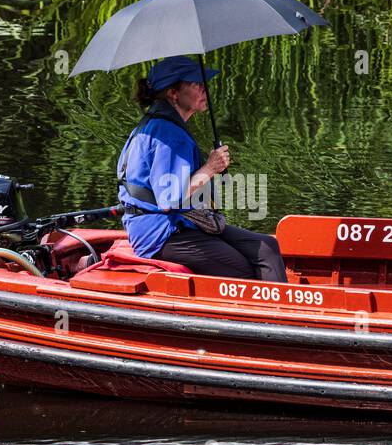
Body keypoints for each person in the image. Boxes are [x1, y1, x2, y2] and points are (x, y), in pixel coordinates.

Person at [116, 55, 288, 281]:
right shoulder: (168, 133)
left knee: (266, 247)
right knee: (244, 271)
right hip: (162, 234)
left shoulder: (157, 123)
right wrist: (210, 167)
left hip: (176, 225)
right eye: (196, 84)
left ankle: (277, 311)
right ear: (173, 93)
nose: (205, 89)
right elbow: (169, 200)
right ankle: (269, 316)